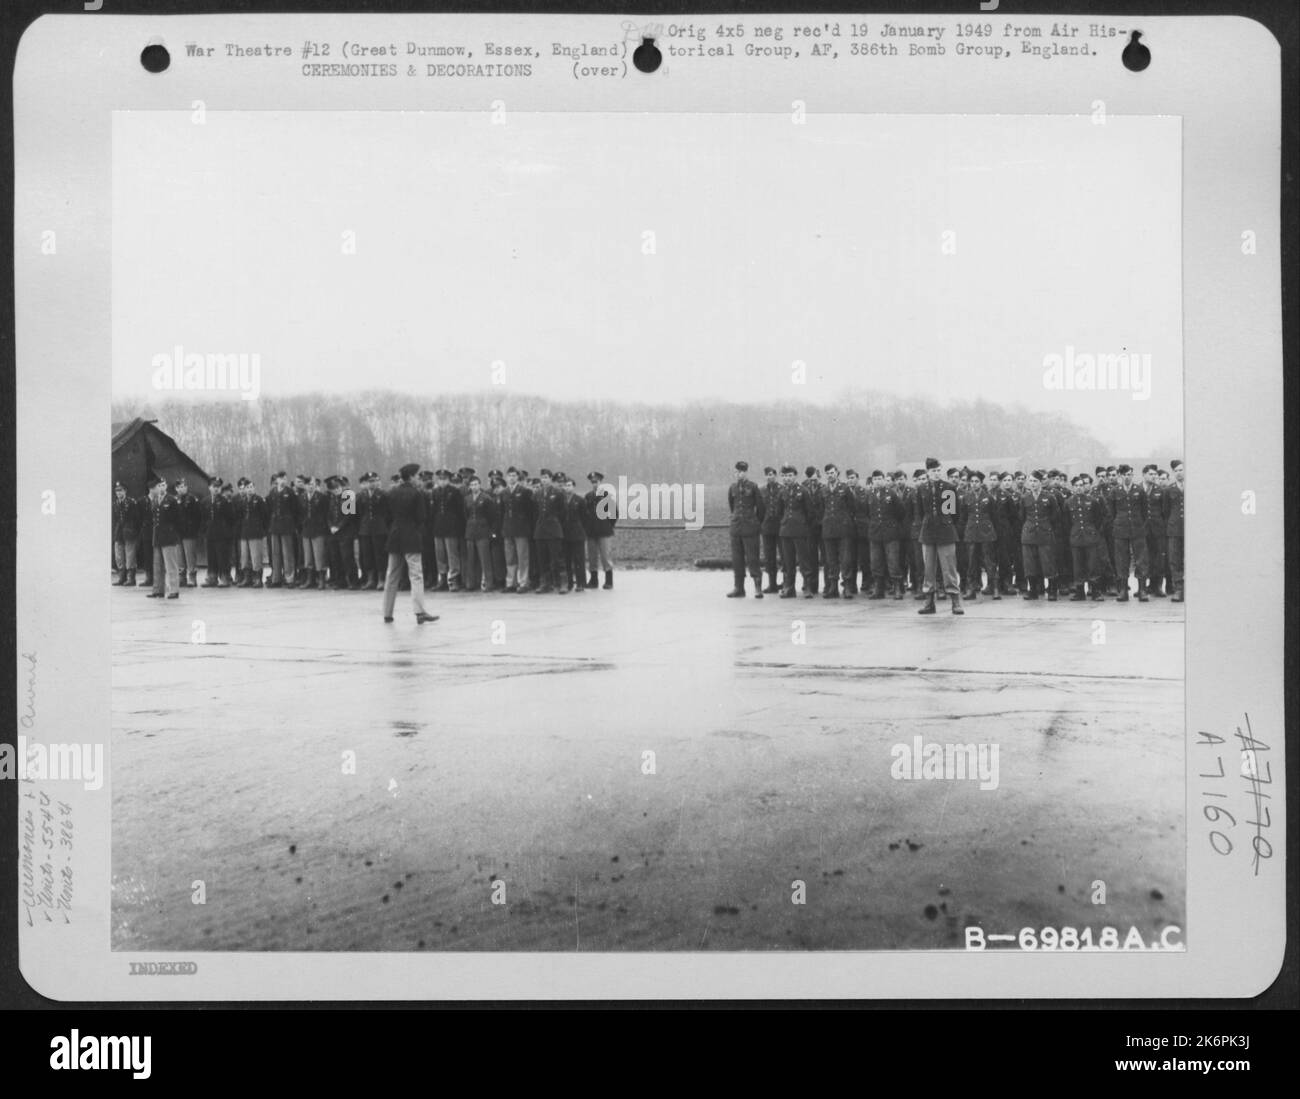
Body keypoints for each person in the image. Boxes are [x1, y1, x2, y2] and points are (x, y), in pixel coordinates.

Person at [381, 463, 437, 625]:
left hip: (395, 536)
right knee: (416, 575)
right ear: (411, 477)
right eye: (417, 475)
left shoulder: (392, 493)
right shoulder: (416, 494)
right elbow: (421, 517)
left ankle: (387, 612)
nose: (419, 479)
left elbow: (387, 516)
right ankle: (419, 611)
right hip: (411, 537)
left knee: (391, 576)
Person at [916, 458, 962, 615]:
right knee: (928, 569)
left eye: (938, 470)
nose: (936, 473)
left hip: (945, 532)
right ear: (927, 472)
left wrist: (945, 524)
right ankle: (929, 602)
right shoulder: (921, 489)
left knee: (949, 568)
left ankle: (955, 600)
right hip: (928, 533)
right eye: (933, 471)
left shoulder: (948, 487)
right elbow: (921, 512)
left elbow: (953, 513)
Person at [1108, 463, 1149, 602]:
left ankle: (1142, 589)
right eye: (1125, 475)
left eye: (1130, 474)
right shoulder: (1115, 491)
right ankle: (1123, 590)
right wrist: (1119, 523)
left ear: (1133, 475)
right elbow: (1112, 512)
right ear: (1120, 476)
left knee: (1141, 559)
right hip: (1120, 530)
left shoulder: (1139, 490)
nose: (1127, 477)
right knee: (1121, 560)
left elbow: (1144, 511)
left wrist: (1140, 525)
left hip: (1137, 529)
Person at [1018, 469, 1060, 601]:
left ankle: (1052, 590)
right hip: (1029, 535)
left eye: (1035, 481)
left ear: (1041, 482)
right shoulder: (1025, 497)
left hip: (1045, 534)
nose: (1032, 484)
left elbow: (1055, 516)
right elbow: (1021, 516)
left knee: (1048, 563)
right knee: (1030, 564)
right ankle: (1033, 590)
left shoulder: (1049, 497)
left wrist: (1046, 526)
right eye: (1030, 481)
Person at [726, 460, 765, 598]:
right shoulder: (732, 488)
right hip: (736, 528)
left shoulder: (753, 487)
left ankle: (758, 588)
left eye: (741, 472)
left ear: (746, 472)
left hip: (750, 528)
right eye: (736, 472)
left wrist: (755, 523)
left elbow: (761, 508)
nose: (738, 474)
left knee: (753, 559)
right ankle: (739, 588)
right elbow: (732, 506)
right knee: (737, 560)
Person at [1065, 473, 1107, 601]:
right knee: (1078, 566)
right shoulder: (1068, 503)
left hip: (1090, 538)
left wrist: (1094, 532)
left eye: (1081, 485)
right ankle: (1079, 592)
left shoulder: (1092, 501)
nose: (1079, 488)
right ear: (1072, 487)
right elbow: (1066, 522)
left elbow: (1099, 519)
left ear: (1084, 487)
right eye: (1076, 486)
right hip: (1076, 538)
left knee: (1093, 565)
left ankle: (1095, 591)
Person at [865, 470, 905, 600]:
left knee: (893, 562)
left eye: (879, 479)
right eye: (875, 479)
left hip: (890, 533)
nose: (877, 481)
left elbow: (901, 512)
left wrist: (892, 524)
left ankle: (897, 588)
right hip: (875, 533)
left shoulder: (891, 494)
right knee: (876, 562)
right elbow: (867, 513)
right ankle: (879, 589)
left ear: (883, 480)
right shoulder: (869, 495)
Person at [775, 464, 814, 599]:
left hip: (800, 530)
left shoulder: (803, 491)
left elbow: (810, 512)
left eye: (790, 476)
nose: (787, 478)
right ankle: (789, 587)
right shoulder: (782, 492)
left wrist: (802, 523)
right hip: (785, 531)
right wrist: (785, 522)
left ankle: (807, 587)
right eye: (785, 476)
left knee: (804, 561)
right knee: (787, 561)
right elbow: (779, 512)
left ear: (795, 476)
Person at [959, 471, 997, 601]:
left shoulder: (988, 497)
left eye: (977, 482)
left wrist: (992, 532)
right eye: (972, 481)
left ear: (981, 483)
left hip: (986, 533)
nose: (974, 484)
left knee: (989, 561)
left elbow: (994, 516)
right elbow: (963, 517)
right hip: (971, 533)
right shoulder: (966, 497)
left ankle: (994, 587)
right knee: (971, 562)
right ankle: (971, 588)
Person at [147, 477, 183, 600]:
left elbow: (178, 519)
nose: (160, 487)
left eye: (163, 485)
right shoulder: (155, 500)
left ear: (166, 486)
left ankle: (174, 590)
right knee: (157, 565)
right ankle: (158, 590)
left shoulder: (172, 500)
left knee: (170, 565)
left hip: (169, 536)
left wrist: (174, 533)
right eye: (158, 486)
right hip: (157, 536)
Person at [501, 466, 535, 593]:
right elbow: (501, 512)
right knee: (510, 558)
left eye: (514, 475)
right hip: (508, 529)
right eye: (509, 475)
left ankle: (523, 582)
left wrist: (529, 528)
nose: (512, 478)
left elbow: (530, 512)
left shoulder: (525, 492)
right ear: (506, 477)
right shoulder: (504, 492)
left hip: (521, 529)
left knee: (522, 557)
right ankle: (511, 583)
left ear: (518, 477)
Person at [532, 469, 567, 594]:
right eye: (542, 478)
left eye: (546, 477)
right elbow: (535, 511)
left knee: (557, 558)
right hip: (540, 529)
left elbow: (562, 511)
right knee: (542, 559)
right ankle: (545, 583)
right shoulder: (537, 494)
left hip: (554, 529)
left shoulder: (558, 493)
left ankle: (563, 583)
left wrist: (554, 522)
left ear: (551, 479)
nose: (544, 480)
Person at [430, 469, 465, 592]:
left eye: (444, 479)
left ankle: (455, 579)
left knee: (452, 555)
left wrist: (459, 528)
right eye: (440, 479)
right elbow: (433, 511)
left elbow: (460, 511)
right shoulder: (435, 492)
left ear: (448, 480)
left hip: (451, 527)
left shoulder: (455, 492)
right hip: (438, 527)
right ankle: (443, 579)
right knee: (440, 555)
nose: (442, 481)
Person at [463, 474, 499, 593]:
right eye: (472, 485)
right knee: (471, 558)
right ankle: (471, 583)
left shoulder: (486, 498)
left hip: (483, 531)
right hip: (470, 530)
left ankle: (489, 583)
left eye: (476, 484)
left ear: (480, 485)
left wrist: (492, 531)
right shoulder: (467, 499)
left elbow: (493, 517)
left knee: (485, 559)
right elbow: (465, 515)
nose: (474, 487)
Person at [356, 471, 390, 590]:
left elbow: (387, 513)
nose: (372, 484)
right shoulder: (360, 495)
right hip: (365, 529)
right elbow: (359, 512)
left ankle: (381, 579)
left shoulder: (384, 494)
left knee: (380, 554)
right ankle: (370, 579)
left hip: (380, 529)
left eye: (374, 481)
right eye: (370, 482)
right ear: (366, 483)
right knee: (367, 555)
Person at [265, 471, 299, 589]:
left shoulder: (290, 492)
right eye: (281, 479)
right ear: (277, 480)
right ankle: (276, 578)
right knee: (275, 553)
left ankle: (289, 578)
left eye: (285, 478)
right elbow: (269, 508)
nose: (283, 481)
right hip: (274, 526)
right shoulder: (272, 492)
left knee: (287, 553)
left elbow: (295, 509)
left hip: (286, 526)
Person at [326, 475, 360, 589]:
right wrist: (331, 526)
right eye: (333, 488)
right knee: (335, 557)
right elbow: (329, 515)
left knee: (347, 557)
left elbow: (349, 515)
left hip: (346, 531)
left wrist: (339, 526)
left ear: (341, 486)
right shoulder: (332, 498)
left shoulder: (348, 495)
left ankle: (353, 580)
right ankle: (340, 580)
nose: (336, 490)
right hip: (334, 532)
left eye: (337, 487)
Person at [584, 471, 617, 590]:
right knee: (592, 556)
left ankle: (609, 581)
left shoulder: (606, 496)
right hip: (591, 532)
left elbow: (614, 514)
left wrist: (608, 525)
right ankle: (593, 580)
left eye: (596, 482)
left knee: (605, 556)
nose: (594, 484)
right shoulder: (588, 496)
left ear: (600, 482)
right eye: (592, 482)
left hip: (604, 531)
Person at [202, 478, 236, 587]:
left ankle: (224, 577)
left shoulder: (224, 501)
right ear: (209, 487)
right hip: (210, 533)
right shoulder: (205, 501)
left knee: (222, 557)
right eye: (213, 486)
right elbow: (202, 518)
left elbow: (231, 517)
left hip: (222, 534)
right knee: (211, 557)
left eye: (218, 487)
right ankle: (212, 577)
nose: (216, 489)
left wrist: (226, 530)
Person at [237, 477, 267, 588]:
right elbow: (239, 517)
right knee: (244, 557)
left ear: (254, 488)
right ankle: (247, 578)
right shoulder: (242, 501)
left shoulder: (259, 500)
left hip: (256, 532)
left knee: (256, 557)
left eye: (251, 487)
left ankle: (257, 579)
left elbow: (265, 516)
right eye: (247, 487)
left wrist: (262, 530)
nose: (249, 489)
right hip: (244, 533)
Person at [560, 476, 589, 593]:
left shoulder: (580, 500)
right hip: (565, 534)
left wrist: (582, 531)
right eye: (565, 485)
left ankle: (581, 583)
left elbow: (585, 518)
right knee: (567, 560)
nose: (567, 488)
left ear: (573, 486)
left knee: (579, 560)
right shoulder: (560, 500)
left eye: (569, 485)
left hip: (577, 534)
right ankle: (569, 583)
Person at [1164, 459, 1185, 602]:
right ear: (1173, 473)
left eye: (1181, 470)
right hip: (1174, 530)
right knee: (1175, 560)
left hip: (1190, 531)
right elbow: (1165, 512)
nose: (1179, 473)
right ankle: (1178, 589)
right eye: (1176, 471)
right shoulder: (1168, 490)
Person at [112, 482, 141, 586]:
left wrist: (135, 532)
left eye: (121, 490)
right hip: (119, 532)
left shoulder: (131, 503)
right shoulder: (115, 504)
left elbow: (137, 519)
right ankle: (122, 577)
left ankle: (131, 578)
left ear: (125, 491)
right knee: (119, 555)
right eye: (117, 491)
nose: (119, 493)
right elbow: (114, 520)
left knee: (130, 555)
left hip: (129, 531)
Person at [759, 466, 783, 594]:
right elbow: (759, 509)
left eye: (772, 474)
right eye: (767, 475)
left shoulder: (782, 489)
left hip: (780, 527)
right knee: (769, 557)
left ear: (775, 475)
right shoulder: (761, 490)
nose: (770, 477)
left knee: (785, 555)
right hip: (767, 527)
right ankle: (772, 584)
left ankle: (786, 583)